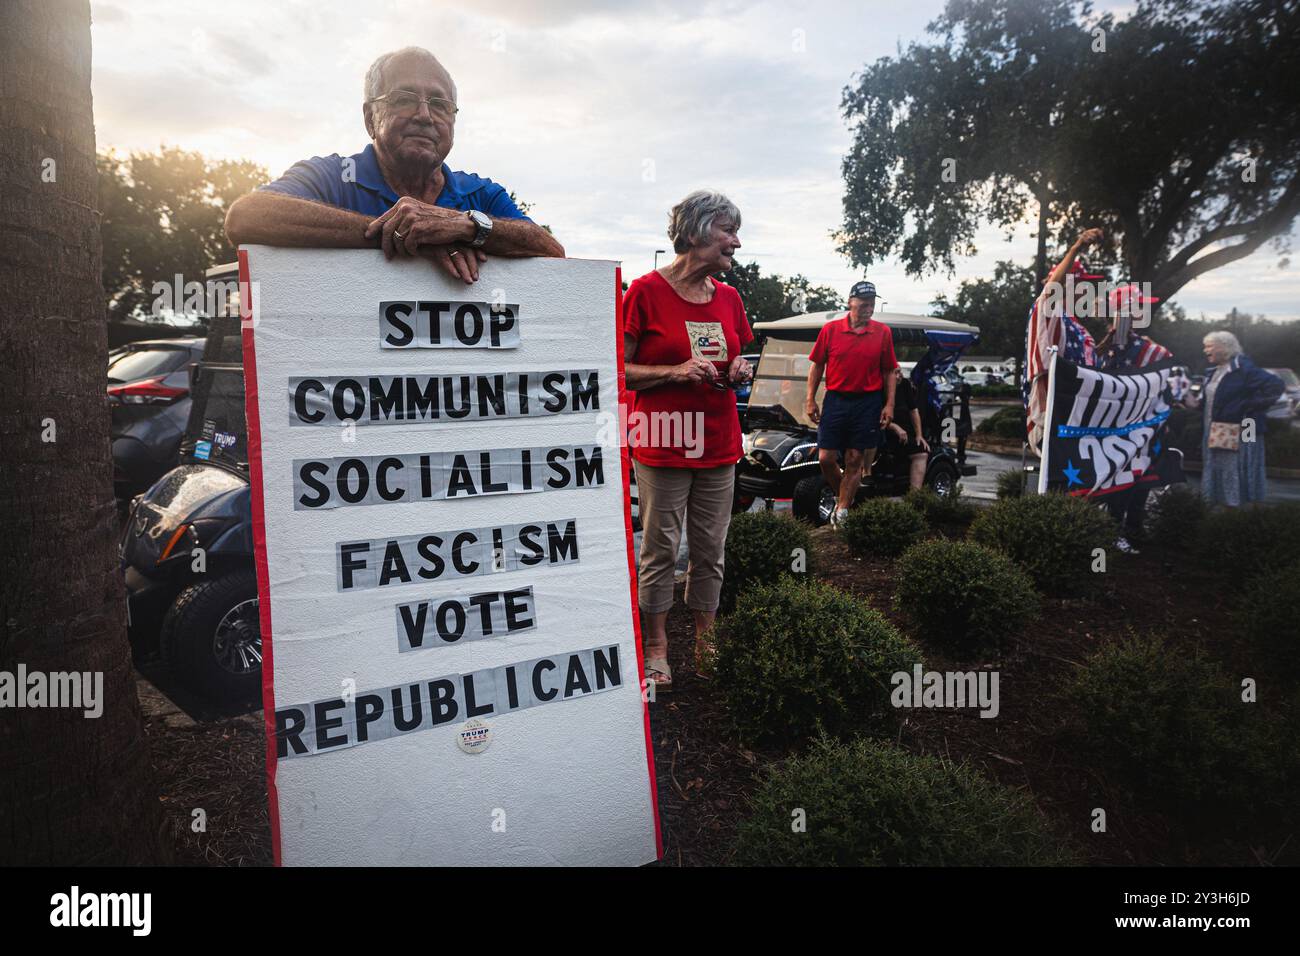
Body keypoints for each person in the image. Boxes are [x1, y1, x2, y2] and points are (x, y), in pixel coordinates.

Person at [224, 46, 564, 282]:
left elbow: (552, 253)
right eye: (403, 100)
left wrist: (464, 226)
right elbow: (246, 217)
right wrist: (405, 234)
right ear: (371, 117)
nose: (424, 115)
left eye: (440, 104)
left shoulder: (481, 194)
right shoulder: (334, 176)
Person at [622, 190, 753, 693]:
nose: (735, 243)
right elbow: (620, 370)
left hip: (719, 443)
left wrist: (739, 367)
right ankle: (656, 648)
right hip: (664, 442)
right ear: (696, 231)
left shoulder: (729, 298)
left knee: (710, 550)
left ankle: (706, 638)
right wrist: (673, 372)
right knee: (659, 549)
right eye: (727, 231)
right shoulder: (644, 292)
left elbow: (739, 357)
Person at [805, 281, 898, 527]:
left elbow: (889, 371)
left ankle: (843, 512)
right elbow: (817, 365)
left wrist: (889, 405)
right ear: (850, 302)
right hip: (836, 400)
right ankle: (844, 496)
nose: (869, 307)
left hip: (868, 402)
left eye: (872, 303)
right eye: (864, 302)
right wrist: (810, 399)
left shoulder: (882, 332)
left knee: (855, 458)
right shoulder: (831, 330)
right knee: (826, 458)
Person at [1094, 283, 1173, 554]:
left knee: (1139, 480)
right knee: (1122, 482)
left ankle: (1132, 528)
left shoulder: (1140, 348)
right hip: (1123, 430)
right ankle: (1116, 531)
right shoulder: (1117, 349)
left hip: (1144, 430)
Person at [1023, 227, 1104, 453]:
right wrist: (1076, 247)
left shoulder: (1074, 324)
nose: (1086, 291)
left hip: (1077, 417)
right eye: (1082, 285)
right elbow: (1051, 291)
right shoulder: (1050, 312)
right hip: (1055, 415)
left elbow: (1086, 361)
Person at [1183, 331, 1284, 507]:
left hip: (1244, 425)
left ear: (1225, 347)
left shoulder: (1243, 369)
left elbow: (1276, 385)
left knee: (1243, 460)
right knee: (1220, 463)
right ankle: (1224, 505)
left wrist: (1248, 406)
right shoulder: (1213, 371)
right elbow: (1217, 401)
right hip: (1217, 428)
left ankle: (1238, 508)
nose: (1205, 350)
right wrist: (1195, 404)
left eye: (1209, 346)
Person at [883, 367, 929, 490]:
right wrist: (894, 426)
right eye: (895, 373)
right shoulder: (878, 387)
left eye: (899, 372)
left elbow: (913, 410)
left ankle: (915, 496)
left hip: (905, 431)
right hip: (883, 429)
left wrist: (919, 435)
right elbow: (874, 414)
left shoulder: (904, 384)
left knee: (921, 451)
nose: (898, 376)